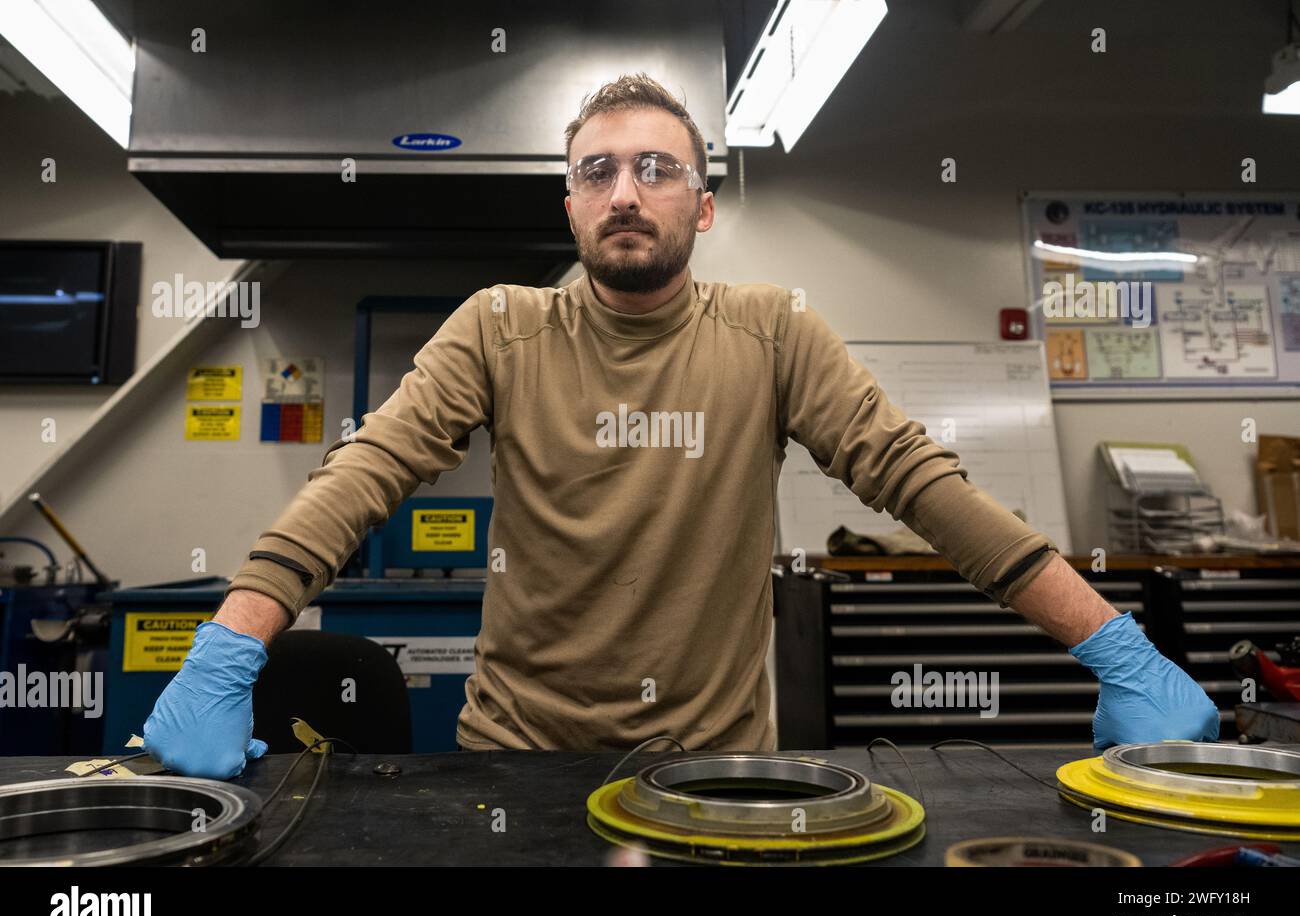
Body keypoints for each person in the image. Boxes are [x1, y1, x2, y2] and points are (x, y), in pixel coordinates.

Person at [144, 73, 1217, 779]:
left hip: (712, 771)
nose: (625, 191)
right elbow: (364, 474)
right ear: (566, 206)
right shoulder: (500, 327)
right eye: (597, 171)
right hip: (515, 761)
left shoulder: (771, 330)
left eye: (656, 168)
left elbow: (917, 481)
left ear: (702, 205)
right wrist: (230, 643)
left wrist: (1115, 645)